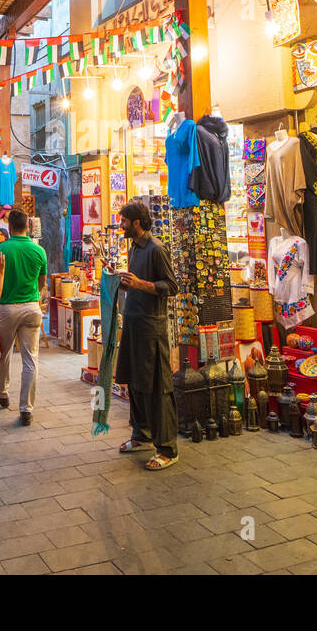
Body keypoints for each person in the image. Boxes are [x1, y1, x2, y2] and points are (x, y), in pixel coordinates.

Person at [114, 201, 179, 471]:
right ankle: (141, 434)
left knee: (156, 387)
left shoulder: (157, 249)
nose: (121, 226)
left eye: (124, 222)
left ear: (137, 223)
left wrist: (141, 284)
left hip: (152, 327)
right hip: (133, 323)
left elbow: (171, 286)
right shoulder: (134, 248)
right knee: (135, 382)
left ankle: (167, 448)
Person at [0, 208, 48, 426]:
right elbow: (41, 283)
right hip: (32, 307)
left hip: (7, 308)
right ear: (28, 227)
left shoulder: (1, 249)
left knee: (4, 354)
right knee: (30, 358)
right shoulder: (38, 251)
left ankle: (2, 393)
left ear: (9, 227)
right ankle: (26, 409)